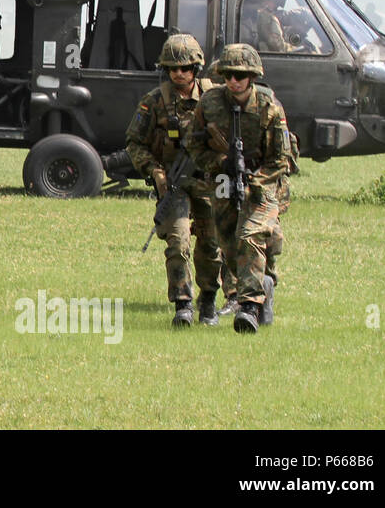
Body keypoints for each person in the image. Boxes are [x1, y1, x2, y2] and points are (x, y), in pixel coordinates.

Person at [186, 43, 290, 334]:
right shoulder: (209, 103)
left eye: (240, 75)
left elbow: (281, 158)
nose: (233, 81)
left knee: (250, 235)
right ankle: (262, 284)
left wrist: (255, 182)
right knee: (229, 246)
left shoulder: (269, 106)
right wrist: (220, 161)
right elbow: (194, 145)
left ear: (252, 77)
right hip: (221, 180)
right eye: (228, 75)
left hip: (263, 182)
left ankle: (249, 307)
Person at [124, 34, 222, 327]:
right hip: (174, 184)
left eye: (185, 68)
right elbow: (134, 143)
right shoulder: (155, 102)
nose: (178, 74)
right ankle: (182, 303)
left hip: (208, 182)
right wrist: (155, 171)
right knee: (178, 241)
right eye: (172, 68)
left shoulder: (214, 98)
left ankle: (208, 301)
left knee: (211, 244)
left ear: (197, 68)